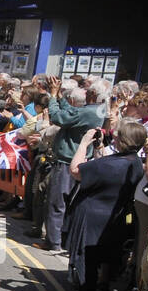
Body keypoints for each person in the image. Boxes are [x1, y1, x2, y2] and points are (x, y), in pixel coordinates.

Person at [64, 120, 147, 291]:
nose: (114, 136)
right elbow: (104, 164)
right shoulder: (134, 162)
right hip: (113, 214)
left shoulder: (112, 165)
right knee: (98, 256)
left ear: (123, 139)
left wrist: (84, 143)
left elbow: (76, 170)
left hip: (93, 214)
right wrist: (99, 146)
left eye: (117, 134)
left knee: (87, 257)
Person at [44, 77, 108, 253]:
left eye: (88, 92)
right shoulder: (98, 110)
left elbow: (59, 117)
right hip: (81, 161)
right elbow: (72, 111)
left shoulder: (89, 112)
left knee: (58, 201)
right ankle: (61, 240)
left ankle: (54, 241)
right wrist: (61, 98)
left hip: (67, 161)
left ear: (93, 94)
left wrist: (53, 96)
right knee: (68, 202)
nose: (86, 93)